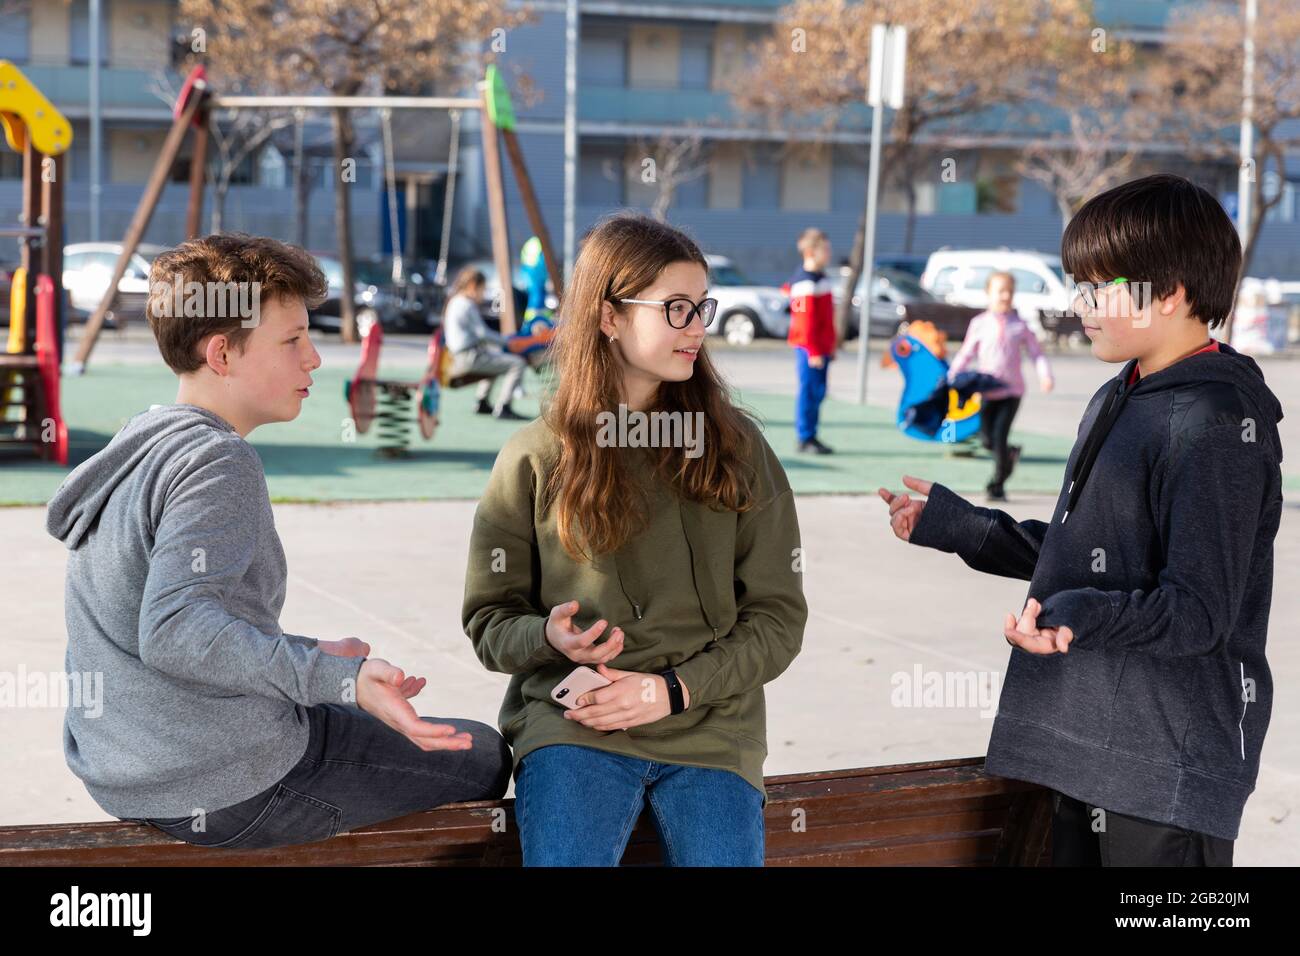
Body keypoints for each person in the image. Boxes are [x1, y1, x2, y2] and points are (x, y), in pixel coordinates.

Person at [46, 234, 511, 850]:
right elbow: (175, 632)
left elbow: (171, 617)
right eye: (292, 340)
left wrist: (312, 655)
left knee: (369, 722)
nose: (314, 358)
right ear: (222, 354)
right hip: (218, 781)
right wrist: (339, 680)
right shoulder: (217, 462)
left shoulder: (145, 443)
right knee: (483, 754)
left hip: (129, 764)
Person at [878, 174, 1283, 866]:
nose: (1081, 305)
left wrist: (1076, 616)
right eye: (1079, 285)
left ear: (1173, 292)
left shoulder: (1219, 422)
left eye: (1100, 288)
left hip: (1165, 768)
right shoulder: (1118, 394)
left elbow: (1198, 612)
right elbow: (1091, 554)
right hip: (1079, 743)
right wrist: (963, 528)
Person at [462, 213, 808, 866]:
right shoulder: (534, 457)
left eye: (701, 307)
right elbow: (489, 620)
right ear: (609, 316)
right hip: (573, 729)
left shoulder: (737, 449)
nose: (697, 328)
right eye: (676, 309)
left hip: (710, 728)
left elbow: (777, 619)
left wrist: (672, 690)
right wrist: (548, 638)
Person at [946, 271, 1054, 500]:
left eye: (1009, 291)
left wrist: (1045, 376)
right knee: (986, 440)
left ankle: (997, 485)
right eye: (1000, 291)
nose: (1005, 296)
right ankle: (1010, 455)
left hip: (1011, 393)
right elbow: (966, 353)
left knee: (999, 438)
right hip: (987, 392)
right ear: (988, 294)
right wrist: (953, 374)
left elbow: (1037, 354)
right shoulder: (979, 324)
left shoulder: (1020, 325)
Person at [442, 266, 529, 421]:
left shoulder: (454, 301)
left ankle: (482, 402)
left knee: (494, 358)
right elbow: (482, 333)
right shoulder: (466, 304)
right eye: (482, 289)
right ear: (472, 286)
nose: (483, 294)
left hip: (457, 357)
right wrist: (508, 340)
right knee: (518, 363)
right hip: (468, 358)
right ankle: (504, 407)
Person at [784, 227, 837, 454]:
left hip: (821, 348)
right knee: (809, 391)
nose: (829, 253)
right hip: (809, 349)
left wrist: (830, 345)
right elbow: (805, 323)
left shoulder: (821, 278)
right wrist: (814, 350)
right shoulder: (805, 282)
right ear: (810, 252)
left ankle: (812, 435)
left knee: (819, 391)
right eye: (824, 249)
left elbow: (826, 318)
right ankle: (804, 437)